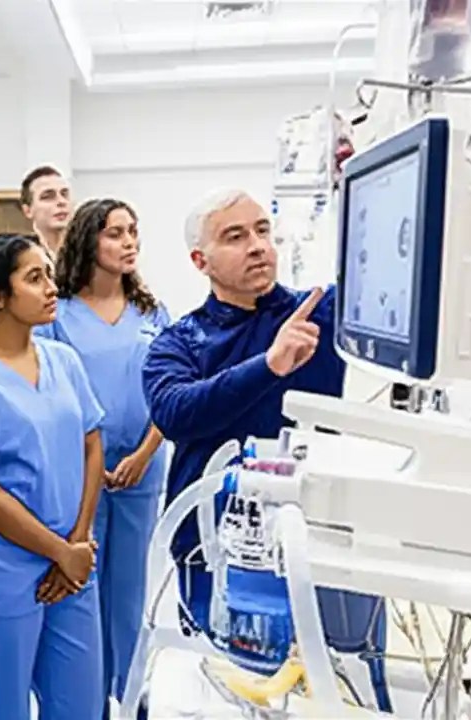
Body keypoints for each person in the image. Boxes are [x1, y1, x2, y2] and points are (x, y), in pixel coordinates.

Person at [141, 189, 374, 670]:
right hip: (216, 550)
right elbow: (174, 411)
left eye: (261, 231)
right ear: (200, 260)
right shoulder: (179, 342)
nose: (256, 245)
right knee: (230, 682)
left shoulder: (318, 315)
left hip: (318, 541)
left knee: (337, 681)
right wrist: (268, 366)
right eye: (235, 236)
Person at [0, 233, 105, 720]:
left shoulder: (62, 361)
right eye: (34, 278)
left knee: (81, 706)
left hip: (74, 562)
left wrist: (78, 541)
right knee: (3, 708)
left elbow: (92, 445)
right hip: (2, 568)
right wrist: (58, 551)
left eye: (49, 274)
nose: (51, 287)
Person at [37, 198, 170, 715]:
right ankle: (83, 701)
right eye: (115, 233)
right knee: (80, 592)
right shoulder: (57, 315)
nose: (129, 242)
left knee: (130, 596)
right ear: (88, 241)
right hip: (79, 475)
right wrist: (90, 462)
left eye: (133, 231)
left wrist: (143, 452)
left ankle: (132, 694)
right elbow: (47, 397)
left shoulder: (152, 313)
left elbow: (173, 390)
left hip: (141, 467)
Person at [19, 165, 73, 260]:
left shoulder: (87, 251)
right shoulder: (21, 255)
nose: (61, 201)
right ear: (28, 210)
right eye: (48, 196)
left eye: (64, 194)